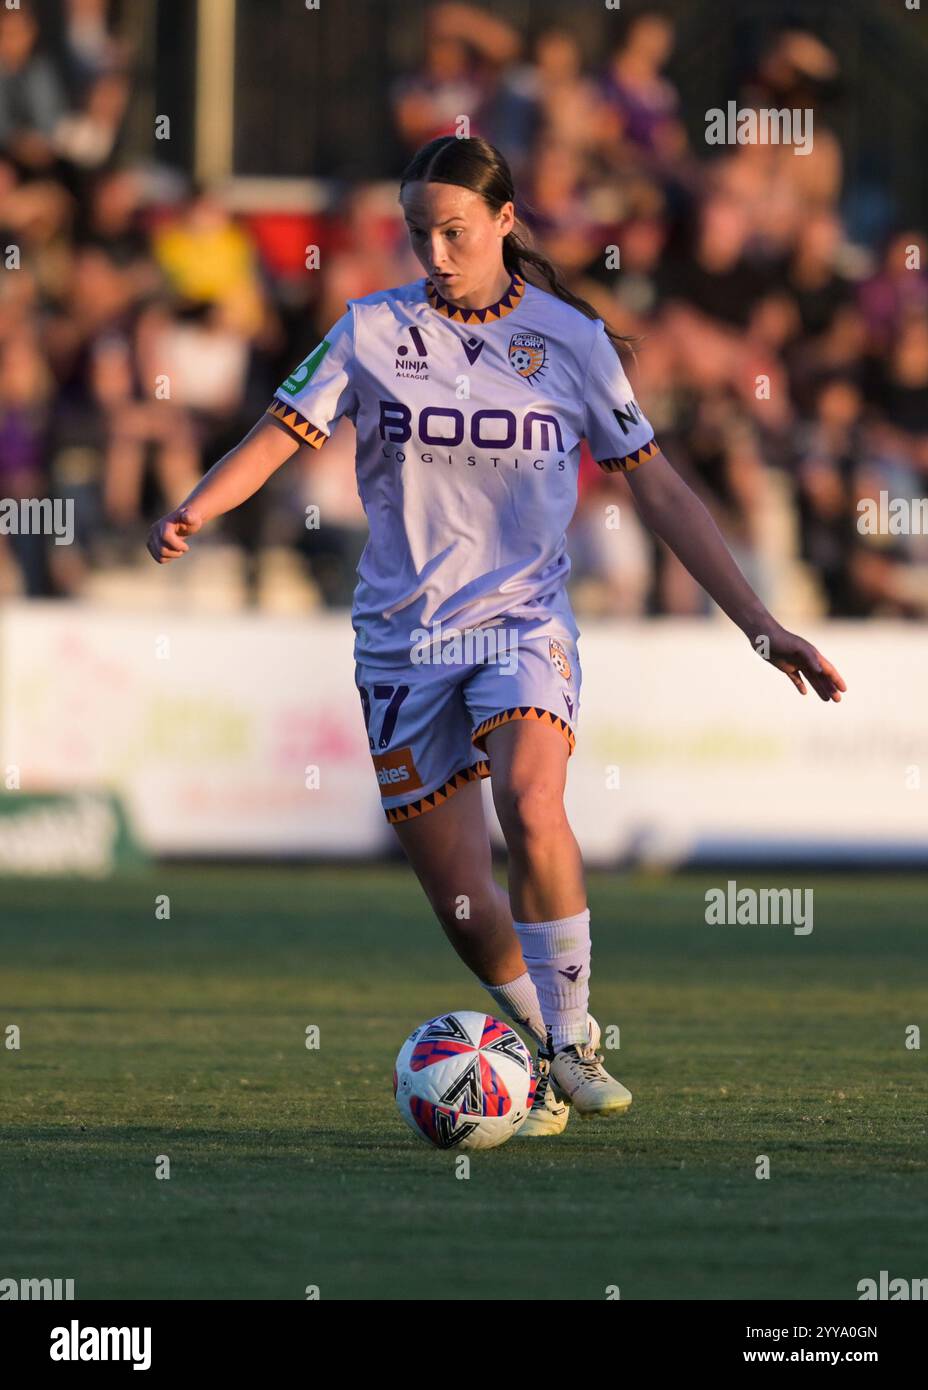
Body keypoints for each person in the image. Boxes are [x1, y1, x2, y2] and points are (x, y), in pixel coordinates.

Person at [147, 136, 846, 1139]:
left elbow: (660, 489)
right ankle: (534, 1039)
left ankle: (573, 1039)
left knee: (530, 794)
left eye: (455, 232)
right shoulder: (368, 330)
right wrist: (195, 509)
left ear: (505, 223)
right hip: (400, 643)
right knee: (462, 903)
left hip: (520, 620)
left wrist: (762, 624)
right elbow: (276, 432)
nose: (435, 252)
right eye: (420, 233)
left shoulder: (571, 341)